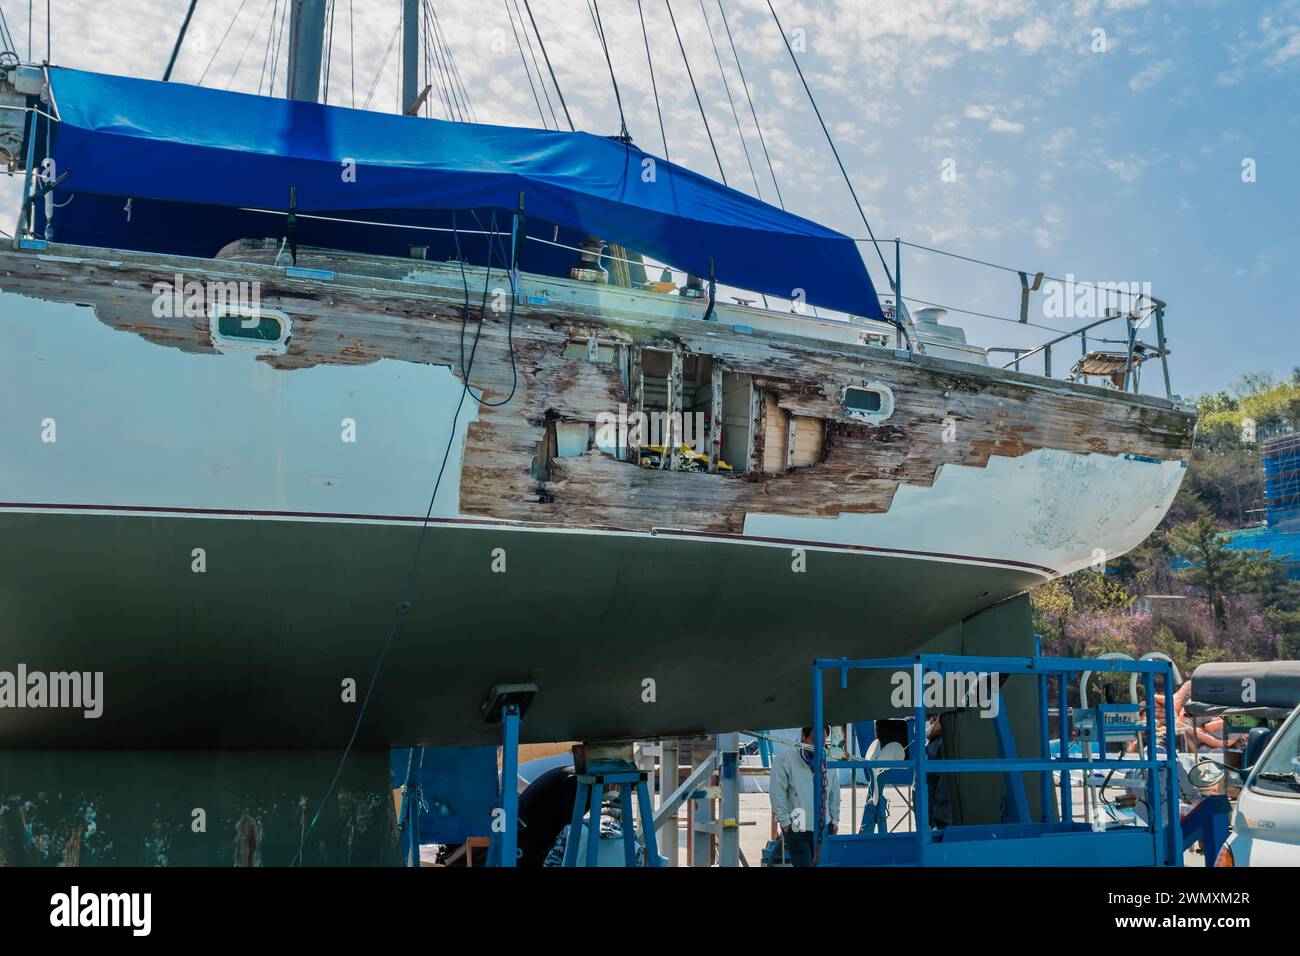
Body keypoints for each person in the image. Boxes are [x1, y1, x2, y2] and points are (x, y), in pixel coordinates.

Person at [770, 726, 840, 866]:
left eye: (823, 740)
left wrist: (835, 821)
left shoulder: (830, 760)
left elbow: (834, 792)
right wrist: (785, 823)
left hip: (824, 826)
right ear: (803, 736)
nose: (819, 745)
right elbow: (777, 791)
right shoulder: (786, 758)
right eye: (815, 740)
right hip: (797, 826)